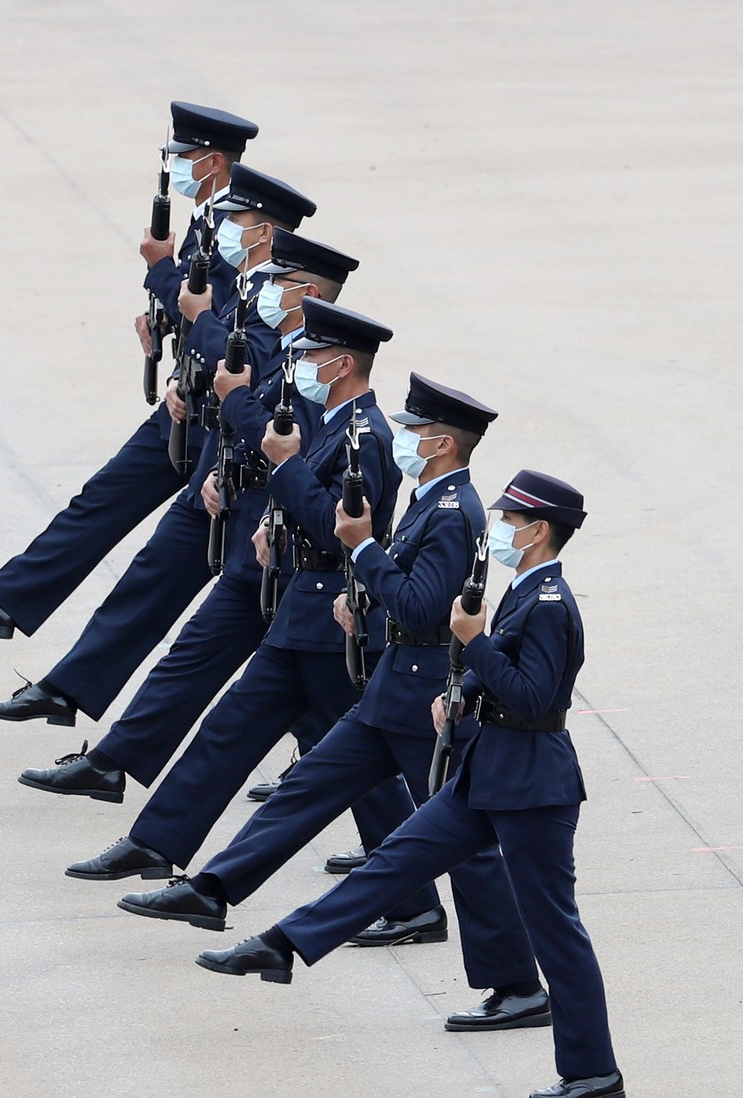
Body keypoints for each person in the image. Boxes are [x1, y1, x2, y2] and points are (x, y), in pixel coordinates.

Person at [116, 376, 557, 1019]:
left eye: (414, 431)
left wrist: (364, 549)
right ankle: (214, 888)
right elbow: (409, 593)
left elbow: (422, 606)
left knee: (466, 845)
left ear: (441, 444)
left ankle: (517, 986)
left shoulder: (452, 511)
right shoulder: (432, 501)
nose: (403, 439)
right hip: (396, 683)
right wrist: (366, 601)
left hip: (424, 696)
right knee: (306, 787)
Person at [193, 471, 625, 1098]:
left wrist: (473, 645)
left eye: (510, 521)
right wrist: (462, 690)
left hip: (533, 787)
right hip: (488, 772)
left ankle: (593, 1074)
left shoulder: (552, 603)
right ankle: (283, 944)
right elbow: (504, 665)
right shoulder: (526, 589)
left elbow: (533, 696)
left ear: (538, 532)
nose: (500, 529)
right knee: (394, 860)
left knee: (556, 931)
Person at [60, 299, 421, 934]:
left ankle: (413, 901)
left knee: (359, 765)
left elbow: (340, 530)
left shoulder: (366, 437)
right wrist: (265, 511)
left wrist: (284, 467)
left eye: (311, 355)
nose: (300, 365)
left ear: (341, 365)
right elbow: (302, 501)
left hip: (331, 620)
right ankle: (157, 844)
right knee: (230, 730)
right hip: (300, 608)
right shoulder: (334, 423)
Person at [16, 229, 359, 804]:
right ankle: (112, 763)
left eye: (281, 282)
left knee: (340, 714)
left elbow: (291, 445)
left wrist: (234, 400)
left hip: (292, 556)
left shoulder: (318, 370)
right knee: (199, 661)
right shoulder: (293, 351)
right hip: (257, 537)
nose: (268, 288)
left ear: (307, 294)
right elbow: (255, 430)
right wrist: (226, 472)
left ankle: (406, 835)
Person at [0, 165, 315, 726]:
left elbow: (245, 369)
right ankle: (67, 691)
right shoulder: (252, 283)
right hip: (216, 461)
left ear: (264, 230)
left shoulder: (284, 300)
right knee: (152, 579)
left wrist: (166, 277)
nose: (226, 227)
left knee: (277, 636)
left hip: (248, 478)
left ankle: (337, 755)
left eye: (239, 219)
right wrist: (184, 373)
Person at [0, 101, 255, 642]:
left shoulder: (239, 230)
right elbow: (197, 314)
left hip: (218, 417)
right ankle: (4, 600)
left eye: (185, 157)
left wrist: (160, 269)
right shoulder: (208, 220)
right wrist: (162, 323)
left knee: (178, 564)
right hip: (186, 402)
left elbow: (223, 320)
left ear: (213, 161)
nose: (176, 168)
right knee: (100, 501)